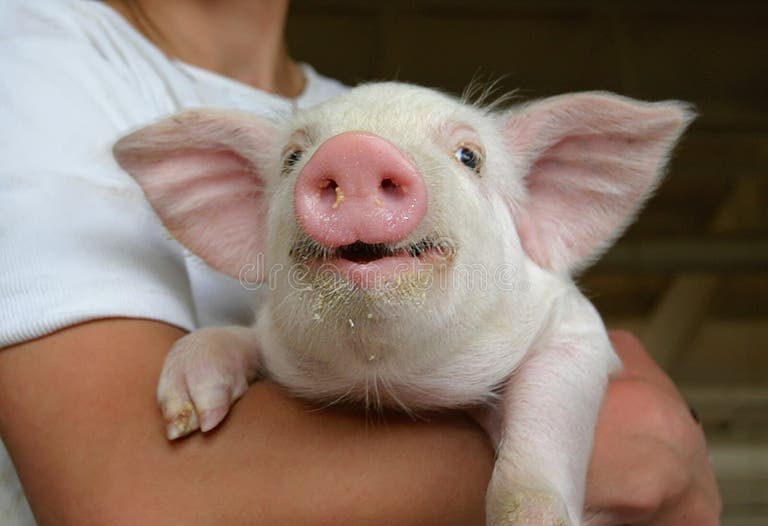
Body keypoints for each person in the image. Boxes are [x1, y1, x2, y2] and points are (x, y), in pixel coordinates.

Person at [0, 0, 721, 524]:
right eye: (293, 162)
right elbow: (125, 503)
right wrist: (602, 454)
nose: (357, 187)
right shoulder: (35, 48)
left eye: (466, 158)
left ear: (553, 194)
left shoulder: (347, 110)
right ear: (227, 201)